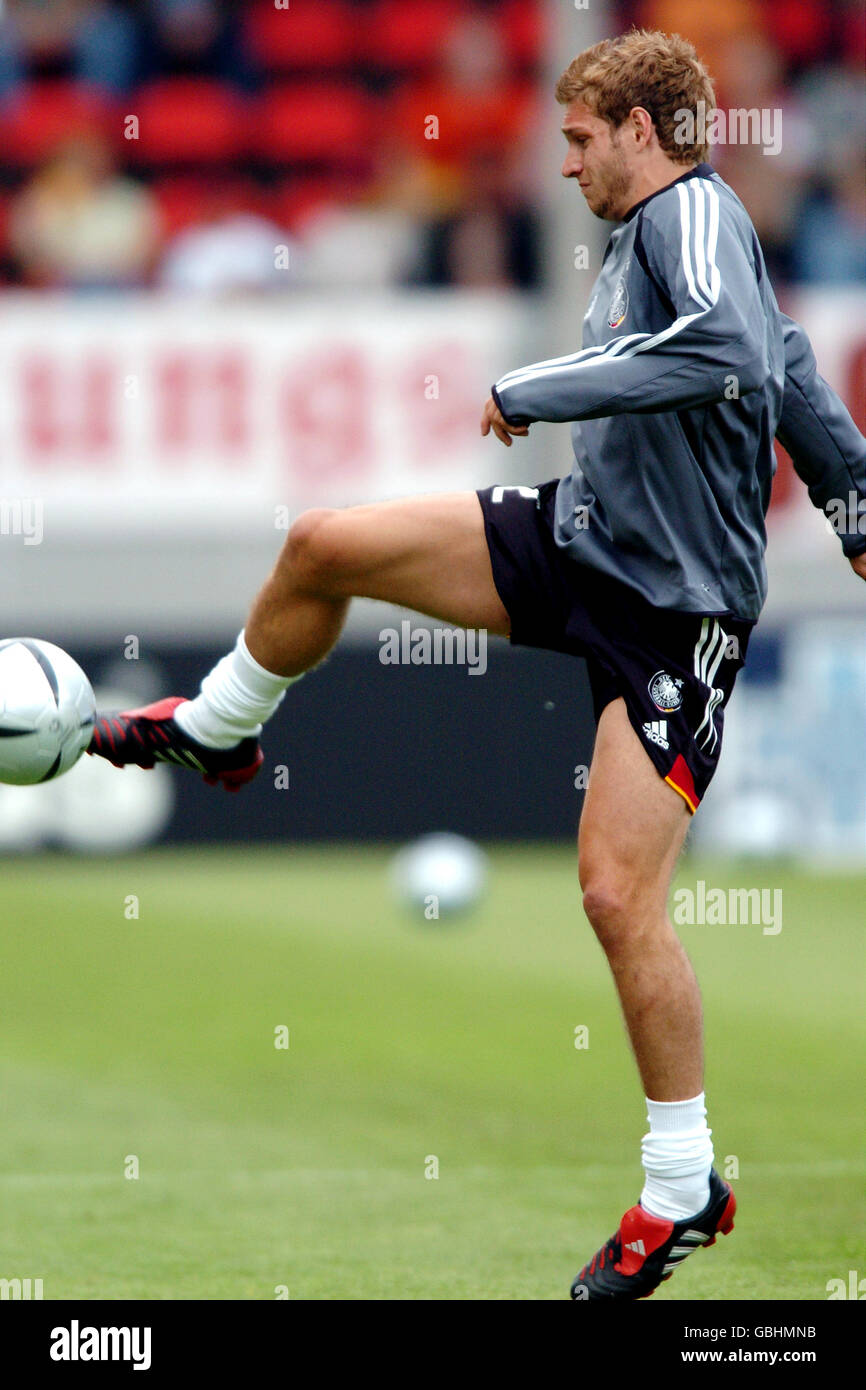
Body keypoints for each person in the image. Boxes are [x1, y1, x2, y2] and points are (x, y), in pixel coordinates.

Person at [89, 29, 866, 1300]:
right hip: (580, 539)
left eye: (578, 137)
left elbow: (734, 351)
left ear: (644, 128)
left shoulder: (693, 214)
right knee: (321, 545)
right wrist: (848, 506)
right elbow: (780, 358)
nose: (562, 163)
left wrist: (538, 384)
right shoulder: (657, 233)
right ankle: (221, 724)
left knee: (615, 898)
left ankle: (682, 1188)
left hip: (676, 613)